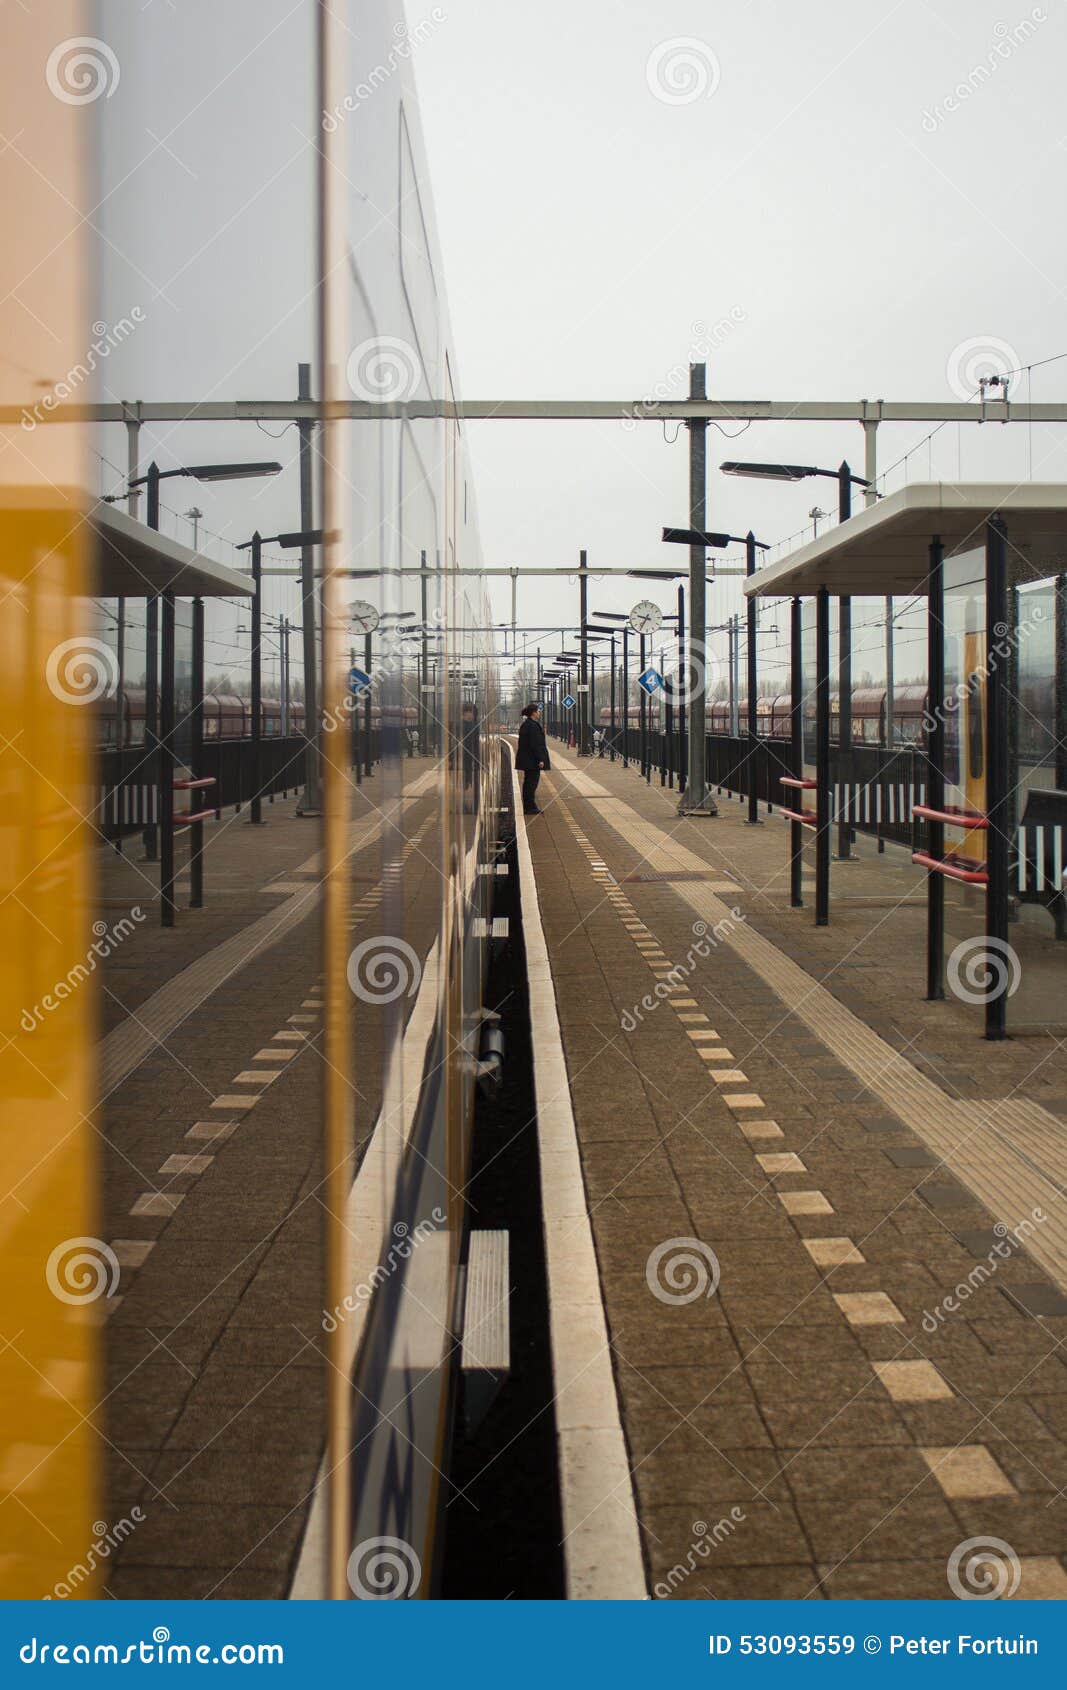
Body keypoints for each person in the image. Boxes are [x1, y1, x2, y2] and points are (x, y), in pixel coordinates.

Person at [515, 701, 550, 815]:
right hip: (532, 760)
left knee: (529, 783)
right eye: (538, 711)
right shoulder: (532, 726)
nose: (539, 713)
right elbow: (535, 745)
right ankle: (529, 806)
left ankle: (529, 805)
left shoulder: (528, 724)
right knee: (531, 783)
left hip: (528, 759)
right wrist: (540, 759)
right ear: (533, 713)